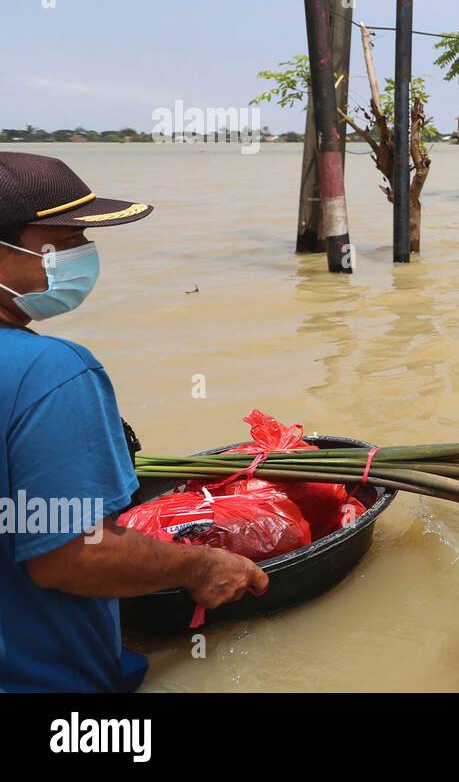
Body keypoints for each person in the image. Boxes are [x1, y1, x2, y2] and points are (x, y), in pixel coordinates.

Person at [0, 153, 268, 692]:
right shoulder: (49, 372)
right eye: (63, 240)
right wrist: (201, 567)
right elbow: (69, 557)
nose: (83, 254)